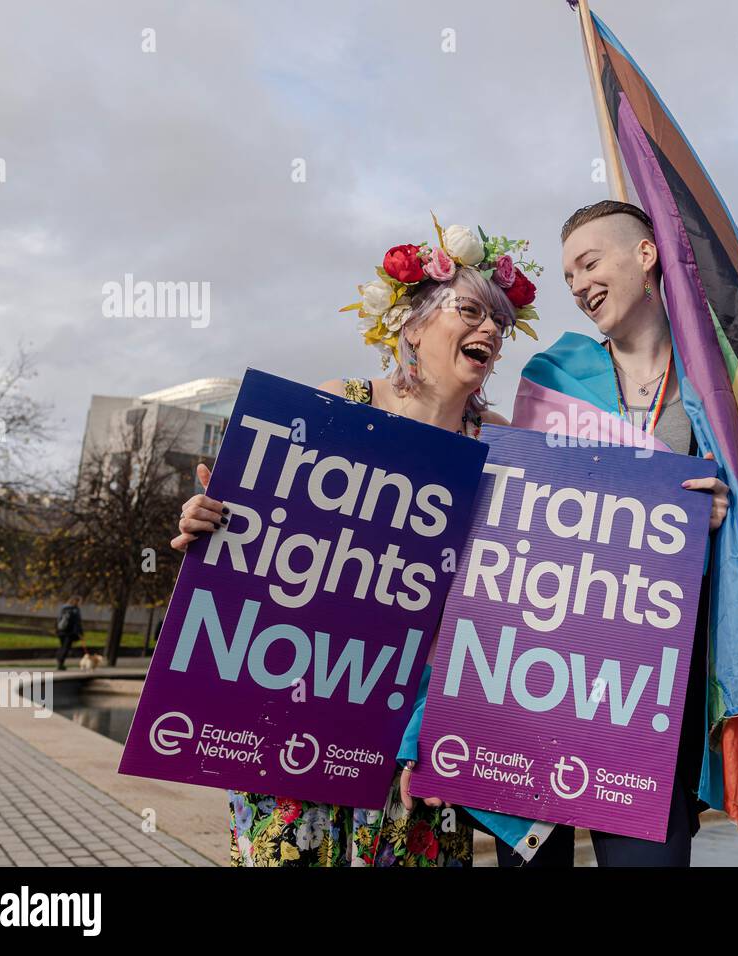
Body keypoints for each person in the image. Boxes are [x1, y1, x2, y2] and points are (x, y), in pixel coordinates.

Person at [171, 216, 536, 866]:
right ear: (414, 323)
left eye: (501, 323)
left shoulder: (503, 448)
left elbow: (511, 603)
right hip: (296, 711)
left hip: (417, 740)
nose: (491, 331)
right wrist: (210, 521)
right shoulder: (337, 405)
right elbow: (259, 548)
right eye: (473, 311)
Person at [494, 200, 732, 866]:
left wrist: (720, 511)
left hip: (654, 680)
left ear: (646, 255)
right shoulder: (551, 377)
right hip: (541, 667)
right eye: (568, 276)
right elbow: (518, 513)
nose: (577, 286)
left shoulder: (712, 383)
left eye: (589, 263)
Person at [55, 595, 84, 671]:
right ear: (76, 601)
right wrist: (80, 633)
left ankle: (59, 660)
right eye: (79, 602)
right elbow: (77, 623)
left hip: (61, 631)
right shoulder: (75, 610)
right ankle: (60, 663)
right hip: (70, 632)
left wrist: (57, 630)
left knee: (62, 646)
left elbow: (58, 619)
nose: (79, 603)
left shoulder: (63, 608)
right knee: (66, 648)